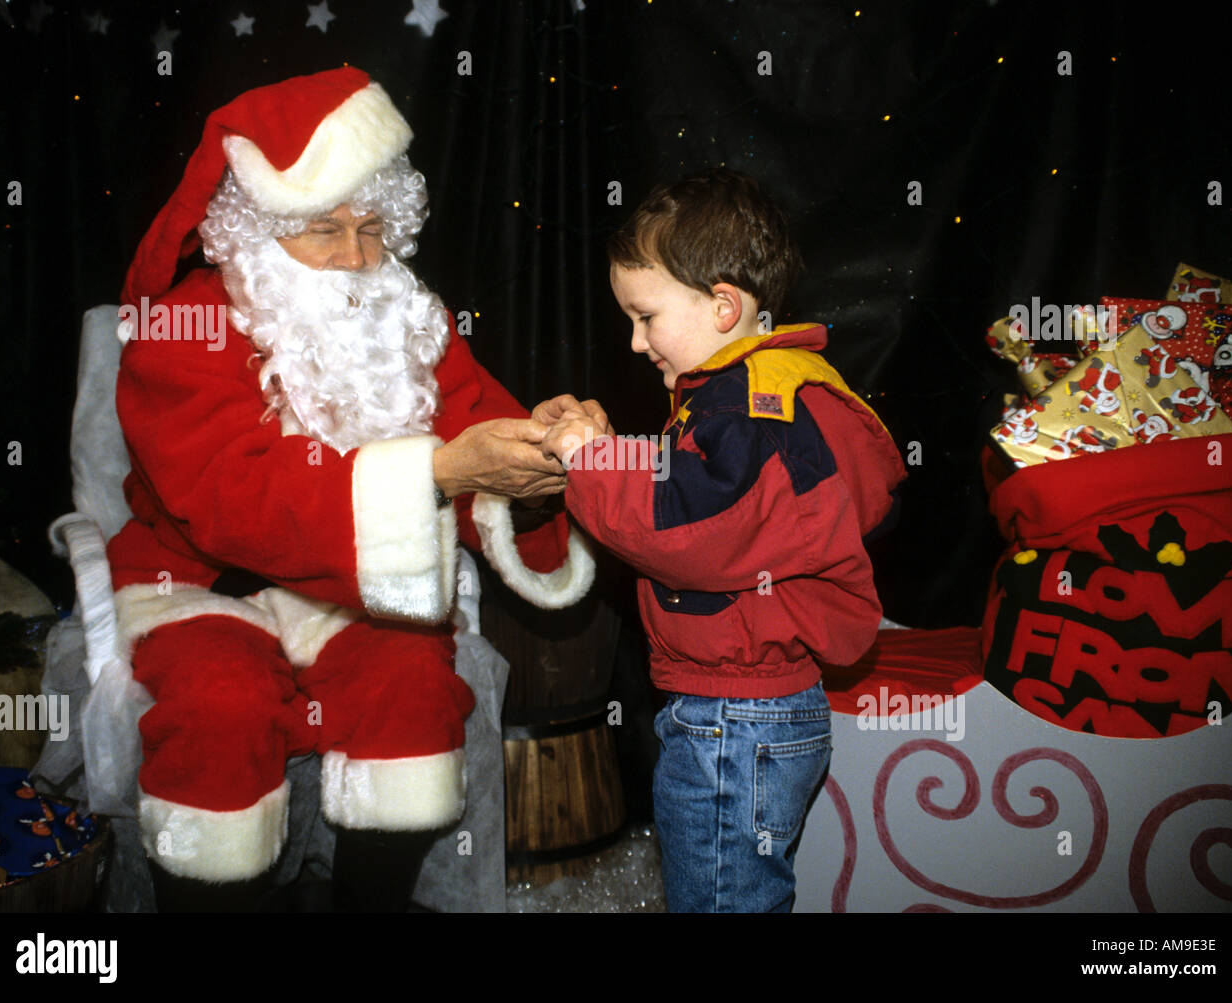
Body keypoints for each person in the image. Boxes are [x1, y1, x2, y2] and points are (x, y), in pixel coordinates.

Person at [109, 66, 597, 911]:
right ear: (252, 233)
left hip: (358, 597)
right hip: (201, 587)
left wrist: (546, 459)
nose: (357, 258)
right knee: (220, 707)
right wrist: (439, 472)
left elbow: (485, 427)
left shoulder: (405, 311)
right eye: (323, 230)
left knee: (413, 687)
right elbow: (234, 503)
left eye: (373, 227)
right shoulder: (179, 331)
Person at [540, 169, 907, 912]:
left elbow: (690, 527)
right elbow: (715, 497)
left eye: (645, 316)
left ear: (723, 305)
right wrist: (609, 452)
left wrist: (586, 461)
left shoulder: (752, 406)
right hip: (748, 712)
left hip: (737, 723)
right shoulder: (769, 390)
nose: (635, 342)